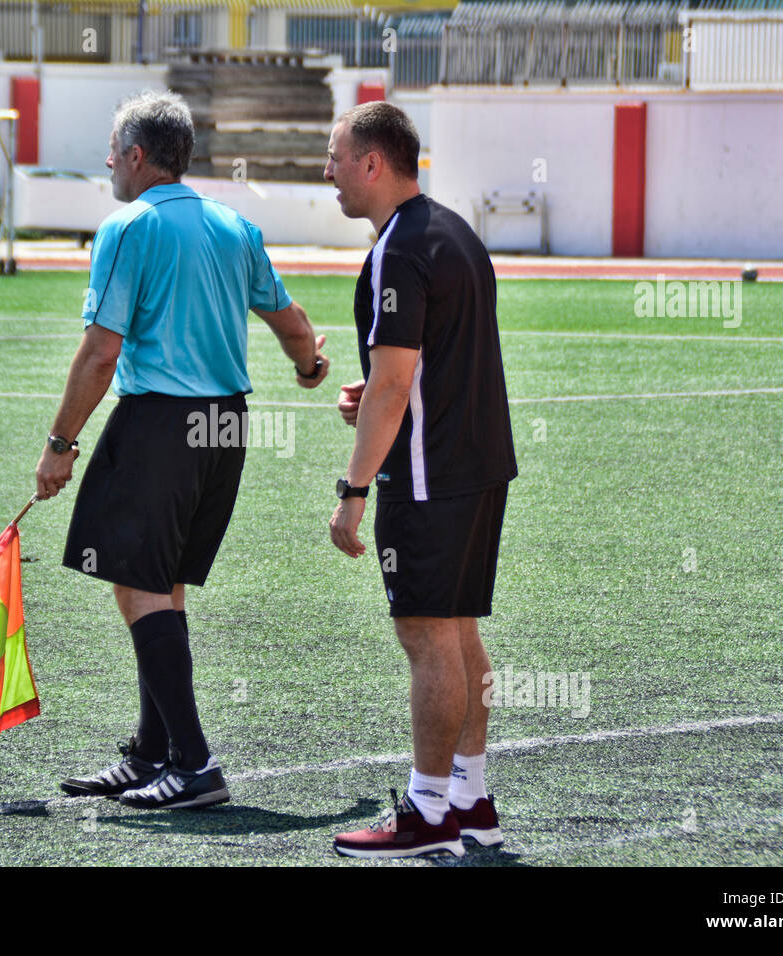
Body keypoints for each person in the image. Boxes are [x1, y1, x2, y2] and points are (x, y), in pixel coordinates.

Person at [35, 90, 330, 810]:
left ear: (137, 156)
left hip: (162, 422)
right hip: (226, 427)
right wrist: (308, 367)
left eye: (113, 149)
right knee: (159, 584)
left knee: (136, 584)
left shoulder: (128, 226)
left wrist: (60, 444)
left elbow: (101, 354)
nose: (107, 161)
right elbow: (290, 320)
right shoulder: (234, 225)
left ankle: (194, 764)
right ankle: (151, 753)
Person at [323, 102, 517, 857]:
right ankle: (470, 798)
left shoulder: (401, 249)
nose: (328, 171)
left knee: (427, 636)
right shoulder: (454, 229)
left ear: (373, 164)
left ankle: (428, 812)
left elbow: (397, 384)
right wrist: (369, 396)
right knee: (458, 630)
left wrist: (353, 490)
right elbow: (405, 373)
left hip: (432, 474)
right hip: (479, 464)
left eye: (336, 156)